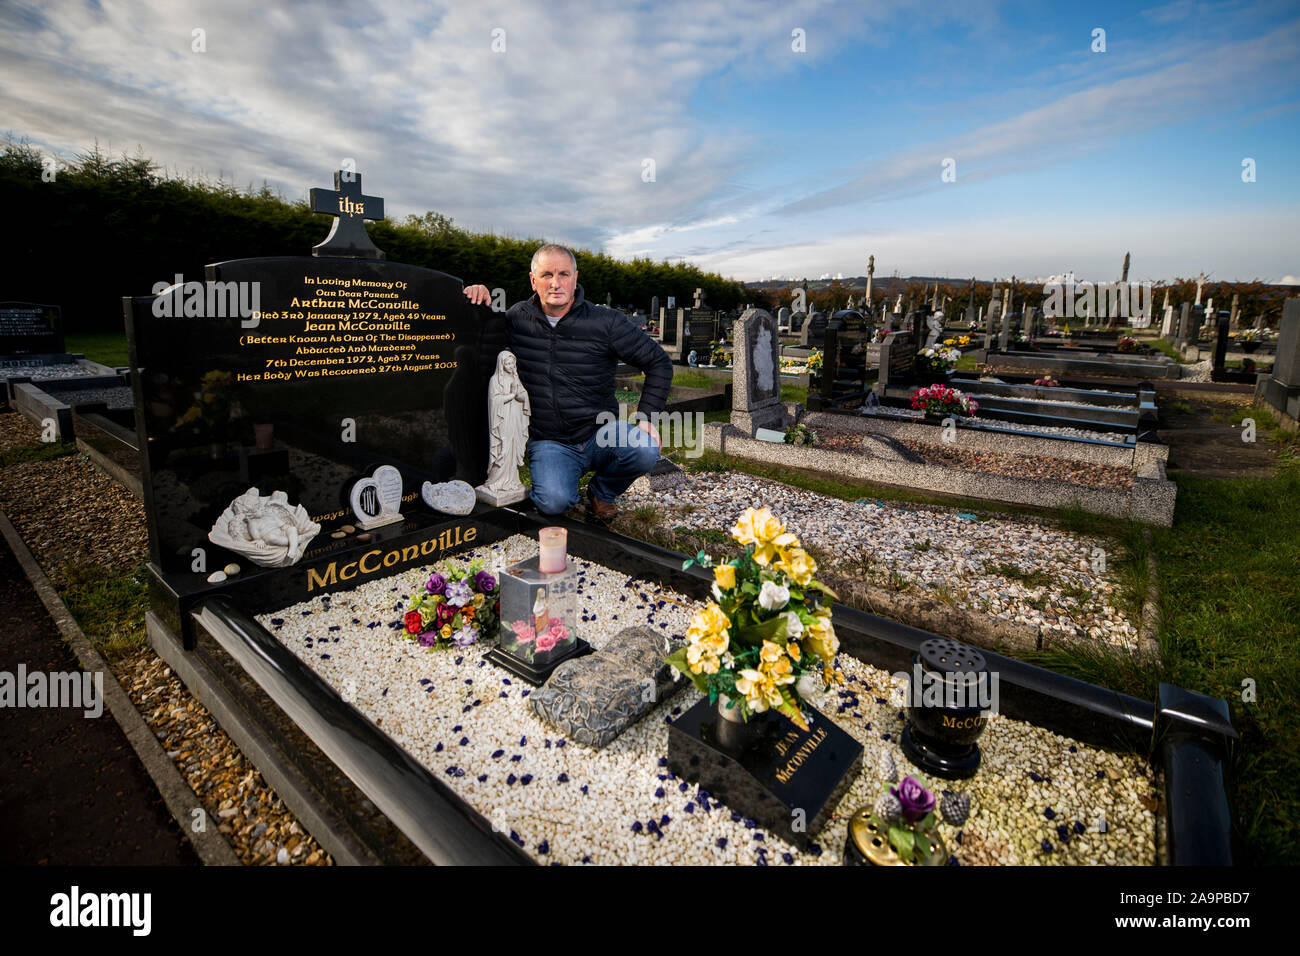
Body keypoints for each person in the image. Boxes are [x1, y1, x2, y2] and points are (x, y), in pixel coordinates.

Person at [463, 244, 673, 520]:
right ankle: (565, 482)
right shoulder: (517, 319)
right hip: (550, 440)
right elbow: (481, 347)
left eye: (564, 274)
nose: (555, 283)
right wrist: (476, 299)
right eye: (547, 275)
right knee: (554, 503)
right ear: (533, 280)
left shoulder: (606, 322)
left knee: (644, 448)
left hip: (600, 432)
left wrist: (647, 419)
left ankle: (602, 493)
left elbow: (659, 362)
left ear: (575, 278)